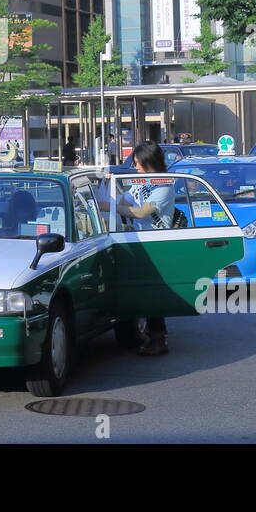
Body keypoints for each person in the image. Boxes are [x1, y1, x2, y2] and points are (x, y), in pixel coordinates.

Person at [114, 141, 178, 356]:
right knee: (140, 291)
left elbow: (142, 212)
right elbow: (126, 199)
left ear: (149, 161)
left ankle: (159, 339)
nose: (135, 167)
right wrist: (120, 205)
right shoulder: (141, 182)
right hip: (136, 240)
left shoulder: (164, 185)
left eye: (138, 163)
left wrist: (114, 207)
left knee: (153, 292)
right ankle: (144, 334)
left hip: (156, 243)